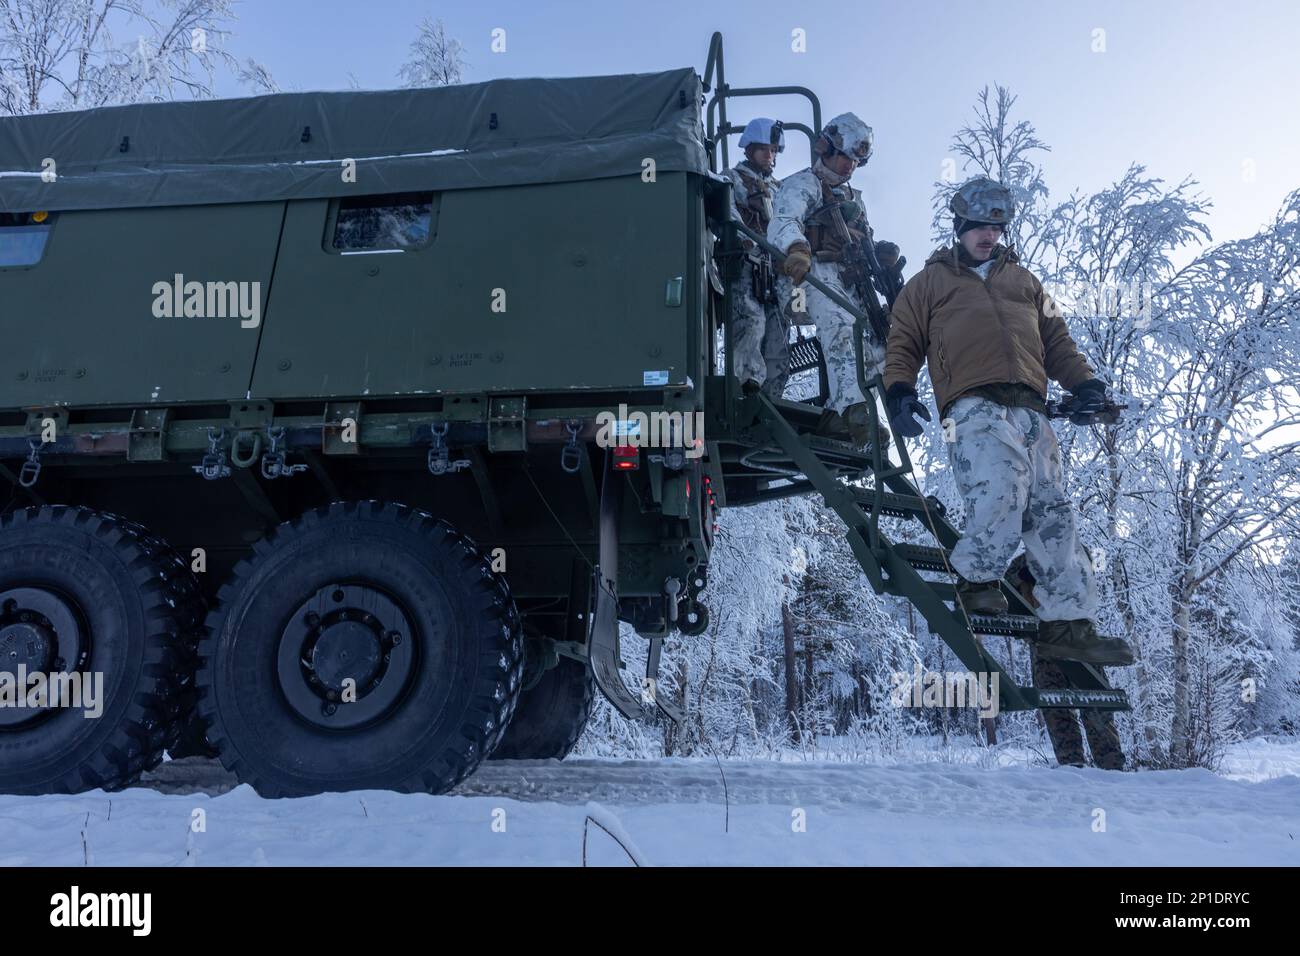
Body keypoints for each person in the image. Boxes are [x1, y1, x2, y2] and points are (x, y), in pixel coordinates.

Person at [883, 176, 1133, 666]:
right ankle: (977, 582)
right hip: (970, 403)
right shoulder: (928, 284)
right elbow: (903, 342)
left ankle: (1069, 623)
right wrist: (899, 392)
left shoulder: (1025, 282)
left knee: (1052, 512)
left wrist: (1084, 384)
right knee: (1001, 485)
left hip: (1031, 406)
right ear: (960, 226)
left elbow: (1056, 339)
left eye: (996, 228)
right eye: (978, 226)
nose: (988, 236)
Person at [768, 112, 894, 446]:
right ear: (825, 148)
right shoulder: (802, 184)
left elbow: (863, 239)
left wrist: (879, 253)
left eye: (856, 161)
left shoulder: (855, 200)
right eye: (845, 157)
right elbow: (783, 220)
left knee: (878, 341)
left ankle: (853, 411)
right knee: (842, 325)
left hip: (848, 277)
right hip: (805, 276)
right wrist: (796, 249)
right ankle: (854, 412)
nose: (849, 166)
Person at [1010, 553, 1126, 769]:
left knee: (1094, 707)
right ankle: (1073, 770)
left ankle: (1110, 770)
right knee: (1059, 713)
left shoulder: (1076, 552)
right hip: (1047, 643)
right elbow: (1010, 593)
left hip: (1076, 639)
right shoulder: (1022, 562)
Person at [725, 117, 790, 399]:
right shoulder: (731, 178)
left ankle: (772, 396)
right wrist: (744, 240)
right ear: (749, 149)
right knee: (751, 322)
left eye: (773, 150)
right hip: (746, 264)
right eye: (764, 148)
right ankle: (745, 385)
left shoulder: (781, 189)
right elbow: (726, 213)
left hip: (775, 268)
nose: (769, 155)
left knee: (779, 331)